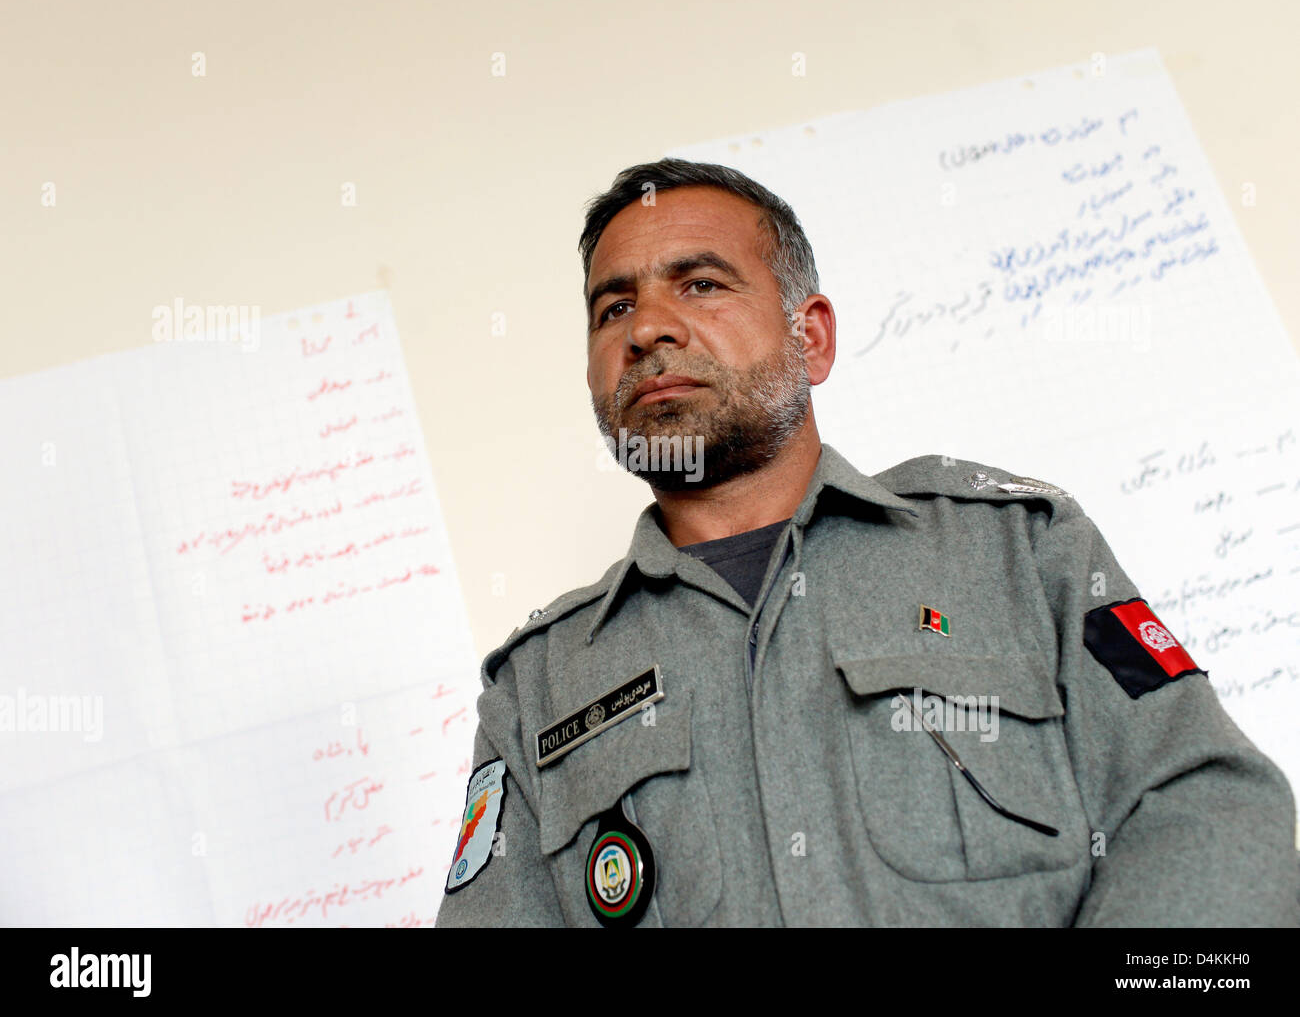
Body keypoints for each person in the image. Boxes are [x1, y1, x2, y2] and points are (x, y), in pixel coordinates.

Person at [435, 157, 1300, 927]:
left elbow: (1211, 807)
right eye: (613, 305)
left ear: (810, 337)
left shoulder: (1021, 553)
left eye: (700, 284)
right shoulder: (536, 689)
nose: (647, 328)